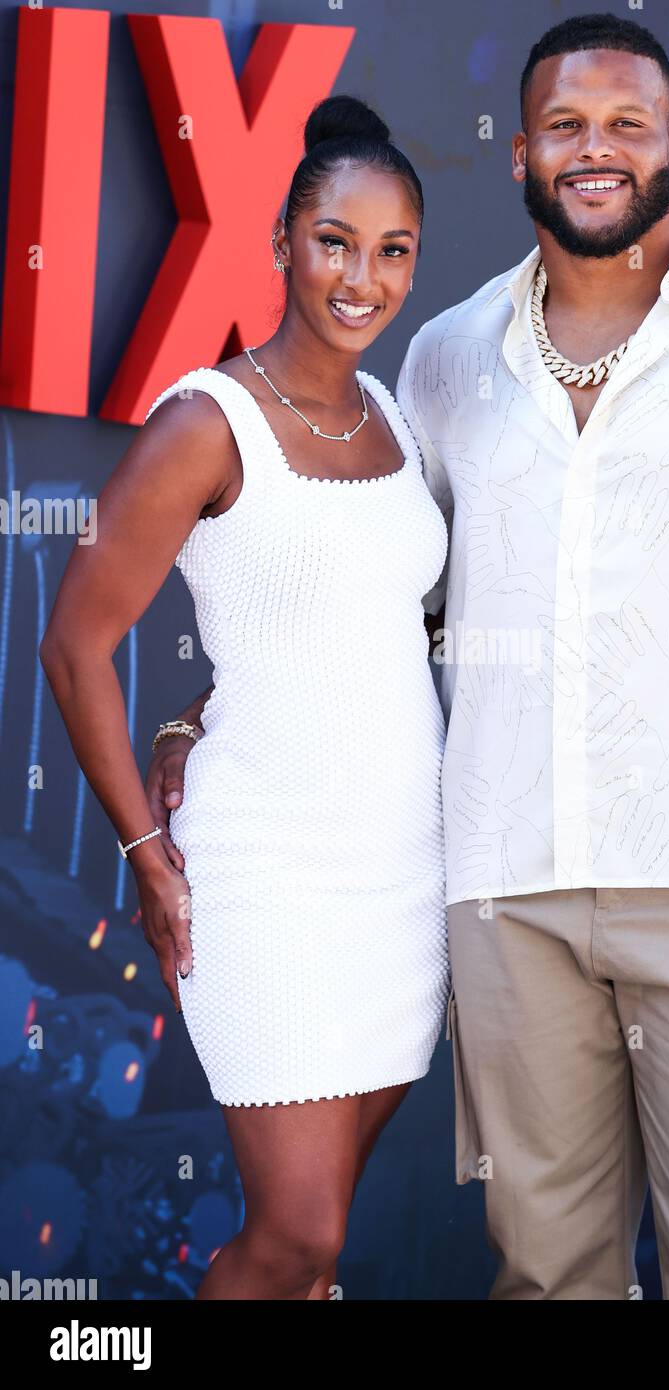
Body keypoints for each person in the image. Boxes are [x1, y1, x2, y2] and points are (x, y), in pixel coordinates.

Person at [153, 15, 669, 1300]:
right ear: (521, 152)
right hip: (506, 892)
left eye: (627, 123)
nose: (596, 150)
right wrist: (206, 719)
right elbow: (379, 592)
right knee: (544, 1277)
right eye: (566, 126)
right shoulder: (446, 359)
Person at [39, 95, 450, 1300]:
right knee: (297, 1237)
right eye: (334, 240)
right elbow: (75, 644)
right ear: (281, 241)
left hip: (404, 875)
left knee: (312, 1258)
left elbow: (346, 632)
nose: (361, 278)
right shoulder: (204, 423)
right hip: (268, 874)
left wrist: (189, 714)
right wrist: (148, 855)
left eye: (392, 251)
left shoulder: (396, 418)